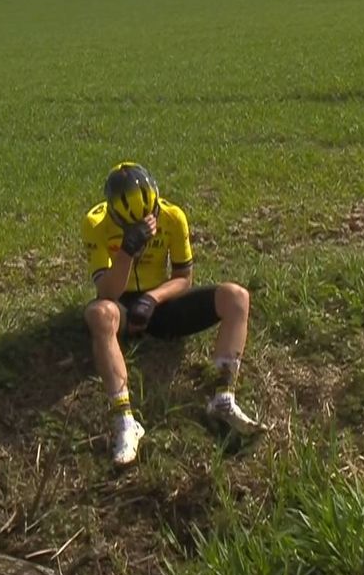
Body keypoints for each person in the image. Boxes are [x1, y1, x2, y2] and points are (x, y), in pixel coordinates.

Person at [82, 162, 269, 466]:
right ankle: (125, 420)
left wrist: (152, 299)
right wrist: (127, 252)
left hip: (162, 303)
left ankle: (223, 398)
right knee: (99, 315)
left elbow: (184, 277)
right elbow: (107, 292)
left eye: (148, 215)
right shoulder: (96, 223)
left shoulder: (172, 216)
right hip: (121, 306)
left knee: (237, 297)